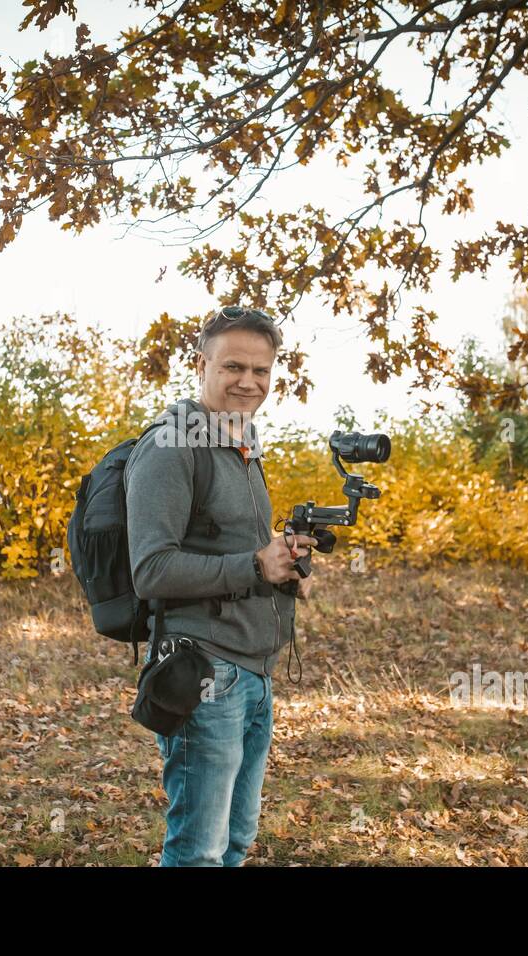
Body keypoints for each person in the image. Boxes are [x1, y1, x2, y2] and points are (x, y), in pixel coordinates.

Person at [124, 304, 318, 867]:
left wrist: (286, 572)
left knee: (236, 841)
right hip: (203, 673)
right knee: (199, 851)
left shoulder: (241, 443)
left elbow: (238, 551)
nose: (248, 382)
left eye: (261, 371)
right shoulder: (171, 446)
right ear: (202, 363)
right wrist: (256, 566)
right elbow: (151, 570)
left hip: (254, 673)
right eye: (234, 366)